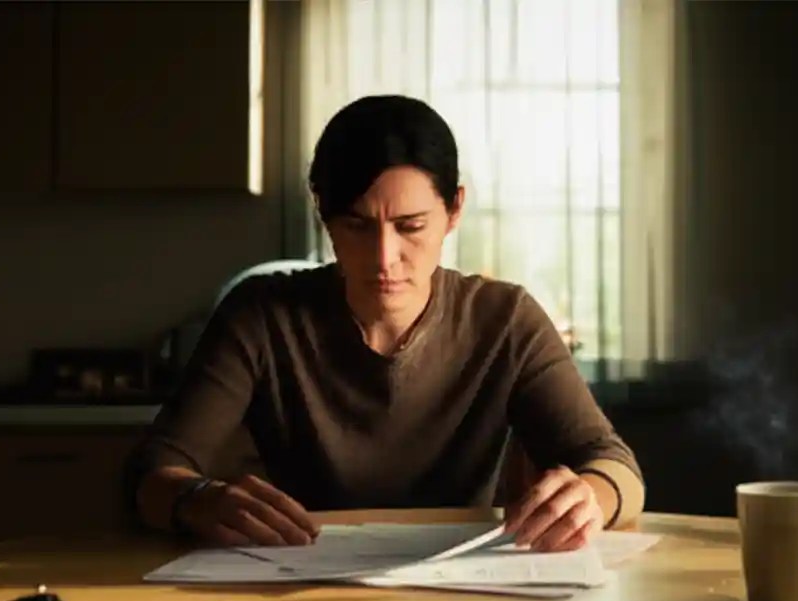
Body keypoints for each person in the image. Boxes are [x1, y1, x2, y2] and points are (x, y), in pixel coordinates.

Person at [128, 95, 644, 552]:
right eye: (356, 226)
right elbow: (151, 472)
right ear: (322, 214)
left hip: (463, 591)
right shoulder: (262, 316)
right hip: (299, 580)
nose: (383, 257)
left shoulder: (504, 320)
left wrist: (591, 496)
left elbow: (614, 465)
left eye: (410, 226)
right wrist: (196, 499)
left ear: (454, 209)